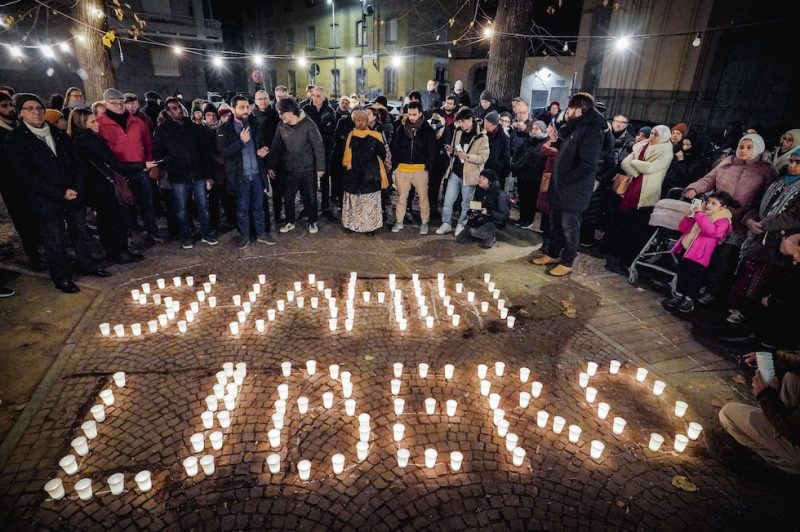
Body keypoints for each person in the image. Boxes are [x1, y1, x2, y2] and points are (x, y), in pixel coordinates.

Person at [6, 94, 110, 293]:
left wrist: (76, 187)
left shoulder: (58, 133)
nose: (36, 111)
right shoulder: (16, 139)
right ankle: (62, 277)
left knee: (80, 233)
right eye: (29, 108)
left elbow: (77, 163)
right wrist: (59, 192)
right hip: (46, 198)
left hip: (72, 193)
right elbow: (26, 174)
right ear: (20, 113)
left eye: (39, 107)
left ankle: (87, 264)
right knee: (55, 239)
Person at [683, 134, 778, 306]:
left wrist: (750, 218)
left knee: (724, 258)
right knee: (704, 253)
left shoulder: (766, 170)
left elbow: (764, 201)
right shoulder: (727, 162)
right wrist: (694, 188)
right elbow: (709, 179)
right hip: (713, 217)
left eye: (749, 147)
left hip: (738, 223)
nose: (744, 151)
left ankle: (712, 291)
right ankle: (694, 288)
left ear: (759, 149)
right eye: (742, 146)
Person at [531, 92, 606, 277]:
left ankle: (568, 261)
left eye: (571, 108)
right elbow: (566, 143)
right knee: (555, 223)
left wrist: (567, 178)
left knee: (569, 227)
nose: (568, 111)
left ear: (579, 110)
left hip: (574, 190)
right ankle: (553, 254)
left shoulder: (591, 131)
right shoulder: (576, 127)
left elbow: (588, 164)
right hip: (561, 187)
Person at [724, 147, 800, 324]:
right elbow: (759, 204)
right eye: (791, 161)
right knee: (745, 275)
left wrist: (764, 224)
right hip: (757, 239)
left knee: (761, 282)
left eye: (798, 163)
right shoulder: (779, 182)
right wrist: (750, 220)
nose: (793, 165)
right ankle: (734, 310)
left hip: (777, 244)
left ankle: (746, 318)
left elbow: (794, 216)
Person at [68, 108, 144, 264]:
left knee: (105, 220)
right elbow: (113, 163)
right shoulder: (90, 141)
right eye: (92, 121)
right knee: (117, 219)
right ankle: (121, 252)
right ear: (82, 124)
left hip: (95, 187)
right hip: (105, 186)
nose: (97, 124)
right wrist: (141, 165)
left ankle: (112, 252)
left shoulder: (76, 140)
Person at [603, 125, 675, 270]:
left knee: (635, 228)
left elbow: (650, 168)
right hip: (631, 187)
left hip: (646, 195)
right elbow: (624, 162)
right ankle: (613, 255)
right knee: (621, 223)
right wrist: (637, 172)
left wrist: (635, 163)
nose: (652, 137)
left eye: (656, 135)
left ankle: (625, 259)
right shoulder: (642, 145)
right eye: (652, 133)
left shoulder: (666, 152)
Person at [719, 348, 800, 474]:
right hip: (793, 423)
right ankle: (775, 421)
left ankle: (780, 468)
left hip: (794, 434)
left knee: (728, 413)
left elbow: (792, 430)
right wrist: (775, 359)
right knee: (793, 376)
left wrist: (765, 396)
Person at [96, 88, 161, 243]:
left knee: (146, 202)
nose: (120, 106)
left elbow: (148, 143)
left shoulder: (137, 122)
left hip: (140, 168)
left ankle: (152, 231)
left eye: (122, 103)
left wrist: (148, 162)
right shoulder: (100, 124)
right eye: (115, 103)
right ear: (106, 104)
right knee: (123, 205)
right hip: (117, 171)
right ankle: (129, 234)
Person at [153, 97, 217, 249]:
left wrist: (209, 174)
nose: (179, 110)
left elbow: (205, 152)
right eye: (174, 108)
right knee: (181, 209)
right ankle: (186, 237)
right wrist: (170, 162)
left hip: (198, 173)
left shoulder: (194, 128)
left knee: (203, 207)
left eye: (180, 107)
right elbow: (158, 153)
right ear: (168, 112)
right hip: (178, 176)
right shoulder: (162, 131)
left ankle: (206, 234)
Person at [663, 192, 739, 312]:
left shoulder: (723, 221)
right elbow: (683, 228)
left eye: (714, 204)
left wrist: (699, 214)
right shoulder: (702, 215)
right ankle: (678, 296)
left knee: (694, 278)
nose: (709, 205)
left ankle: (689, 300)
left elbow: (711, 231)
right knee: (682, 274)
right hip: (687, 249)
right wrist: (688, 217)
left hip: (700, 255)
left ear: (723, 207)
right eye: (708, 202)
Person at [216, 95, 274, 248]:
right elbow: (223, 153)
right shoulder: (224, 129)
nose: (245, 110)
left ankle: (261, 234)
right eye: (241, 107)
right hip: (239, 177)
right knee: (242, 208)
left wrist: (262, 151)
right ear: (233, 108)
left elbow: (260, 144)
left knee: (259, 207)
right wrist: (241, 142)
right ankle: (245, 236)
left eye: (247, 107)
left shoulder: (254, 124)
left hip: (255, 174)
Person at [267, 97, 326, 235]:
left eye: (282, 113)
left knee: (310, 197)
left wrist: (320, 168)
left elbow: (318, 147)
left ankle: (312, 221)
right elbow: (276, 147)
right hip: (289, 170)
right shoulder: (281, 126)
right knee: (288, 197)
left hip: (307, 170)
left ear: (291, 110)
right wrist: (271, 165)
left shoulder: (309, 125)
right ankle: (290, 221)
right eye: (279, 113)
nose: (280, 116)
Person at [0, 91, 44, 270]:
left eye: (11, 105)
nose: (10, 109)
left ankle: (45, 251)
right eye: (4, 106)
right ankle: (34, 258)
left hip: (32, 183)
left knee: (38, 219)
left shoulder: (21, 128)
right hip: (12, 186)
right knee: (24, 222)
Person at [436, 108, 489, 235]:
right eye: (459, 122)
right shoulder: (458, 131)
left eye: (462, 122)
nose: (460, 125)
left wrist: (467, 157)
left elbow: (483, 158)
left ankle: (461, 223)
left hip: (470, 175)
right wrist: (451, 150)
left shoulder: (481, 136)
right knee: (448, 200)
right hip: (456, 171)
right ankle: (446, 223)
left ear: (470, 120)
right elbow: (456, 150)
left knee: (466, 202)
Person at [390, 101, 437, 235]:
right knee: (401, 197)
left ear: (420, 113)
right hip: (403, 169)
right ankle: (399, 221)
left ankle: (424, 222)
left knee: (423, 197)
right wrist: (396, 165)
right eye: (409, 114)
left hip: (420, 169)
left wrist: (428, 167)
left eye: (414, 114)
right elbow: (395, 146)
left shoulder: (427, 129)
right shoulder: (401, 128)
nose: (411, 117)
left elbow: (432, 149)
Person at [340, 109, 387, 235]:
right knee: (353, 201)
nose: (360, 122)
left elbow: (382, 154)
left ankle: (369, 228)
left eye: (363, 120)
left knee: (369, 202)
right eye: (357, 120)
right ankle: (351, 225)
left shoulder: (376, 136)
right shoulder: (350, 135)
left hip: (369, 175)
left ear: (367, 121)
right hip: (353, 174)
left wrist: (371, 166)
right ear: (354, 121)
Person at [302, 86, 337, 217]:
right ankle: (309, 208)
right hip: (308, 151)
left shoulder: (329, 111)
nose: (315, 98)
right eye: (313, 95)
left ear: (324, 97)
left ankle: (325, 207)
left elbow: (330, 132)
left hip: (325, 151)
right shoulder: (305, 110)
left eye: (318, 96)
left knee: (325, 181)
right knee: (308, 181)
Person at [456, 169, 509, 248]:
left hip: (494, 221)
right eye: (480, 177)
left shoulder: (500, 195)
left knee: (485, 243)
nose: (480, 180)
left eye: (484, 178)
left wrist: (489, 212)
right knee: (461, 239)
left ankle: (490, 236)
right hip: (481, 218)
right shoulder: (479, 189)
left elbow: (504, 216)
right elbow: (475, 204)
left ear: (490, 182)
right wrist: (472, 211)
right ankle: (478, 233)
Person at [511, 120, 549, 229]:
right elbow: (518, 153)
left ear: (542, 130)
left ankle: (529, 220)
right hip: (523, 175)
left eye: (537, 128)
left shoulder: (546, 143)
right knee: (522, 198)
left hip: (535, 177)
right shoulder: (528, 141)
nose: (534, 130)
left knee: (531, 200)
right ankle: (522, 218)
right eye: (533, 128)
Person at [482, 111, 511, 188]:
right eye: (484, 122)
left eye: (487, 123)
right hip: (482, 170)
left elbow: (506, 159)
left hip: (495, 173)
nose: (484, 125)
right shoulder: (482, 134)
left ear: (493, 124)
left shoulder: (503, 138)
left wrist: (495, 165)